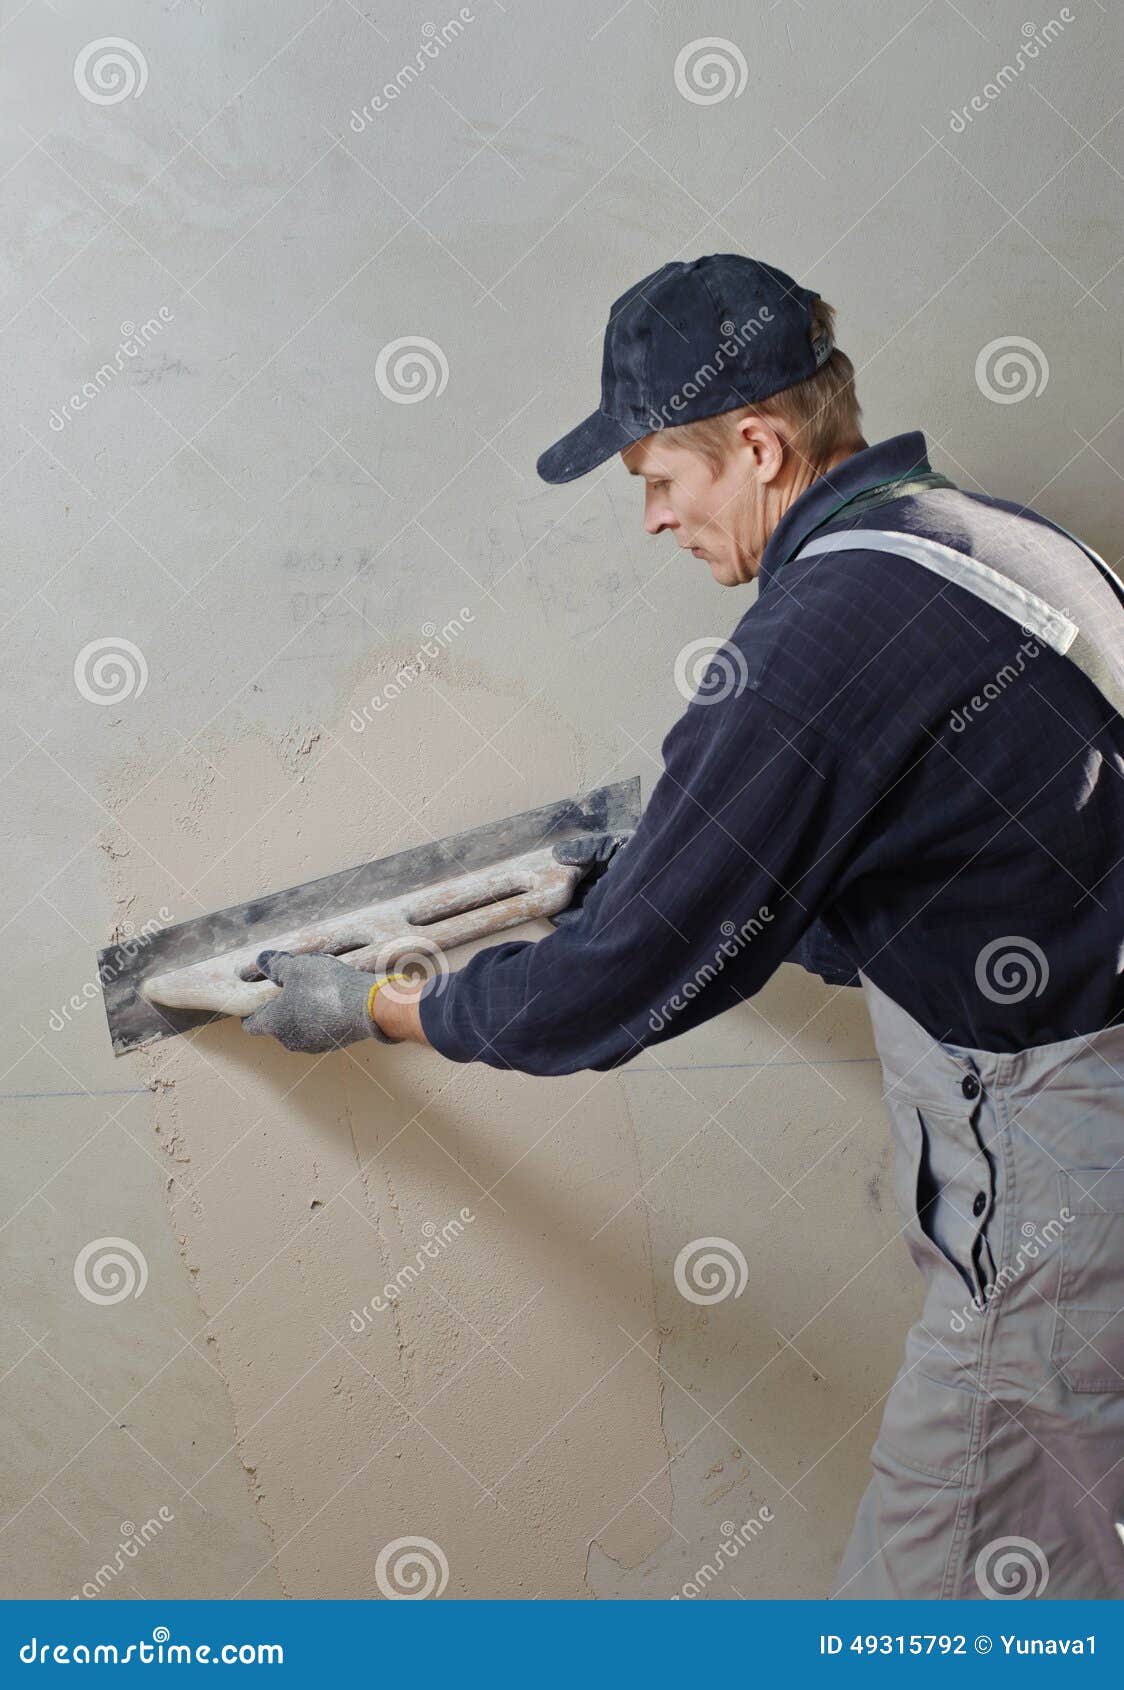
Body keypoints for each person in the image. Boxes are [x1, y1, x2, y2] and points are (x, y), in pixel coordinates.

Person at [243, 253, 1124, 1600]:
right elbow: (974, 860)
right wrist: (682, 867)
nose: (653, 519)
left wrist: (384, 1002)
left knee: (928, 1605)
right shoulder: (986, 544)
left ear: (760, 445)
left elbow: (616, 987)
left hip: (1071, 1182)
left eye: (661, 479)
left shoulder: (821, 637)